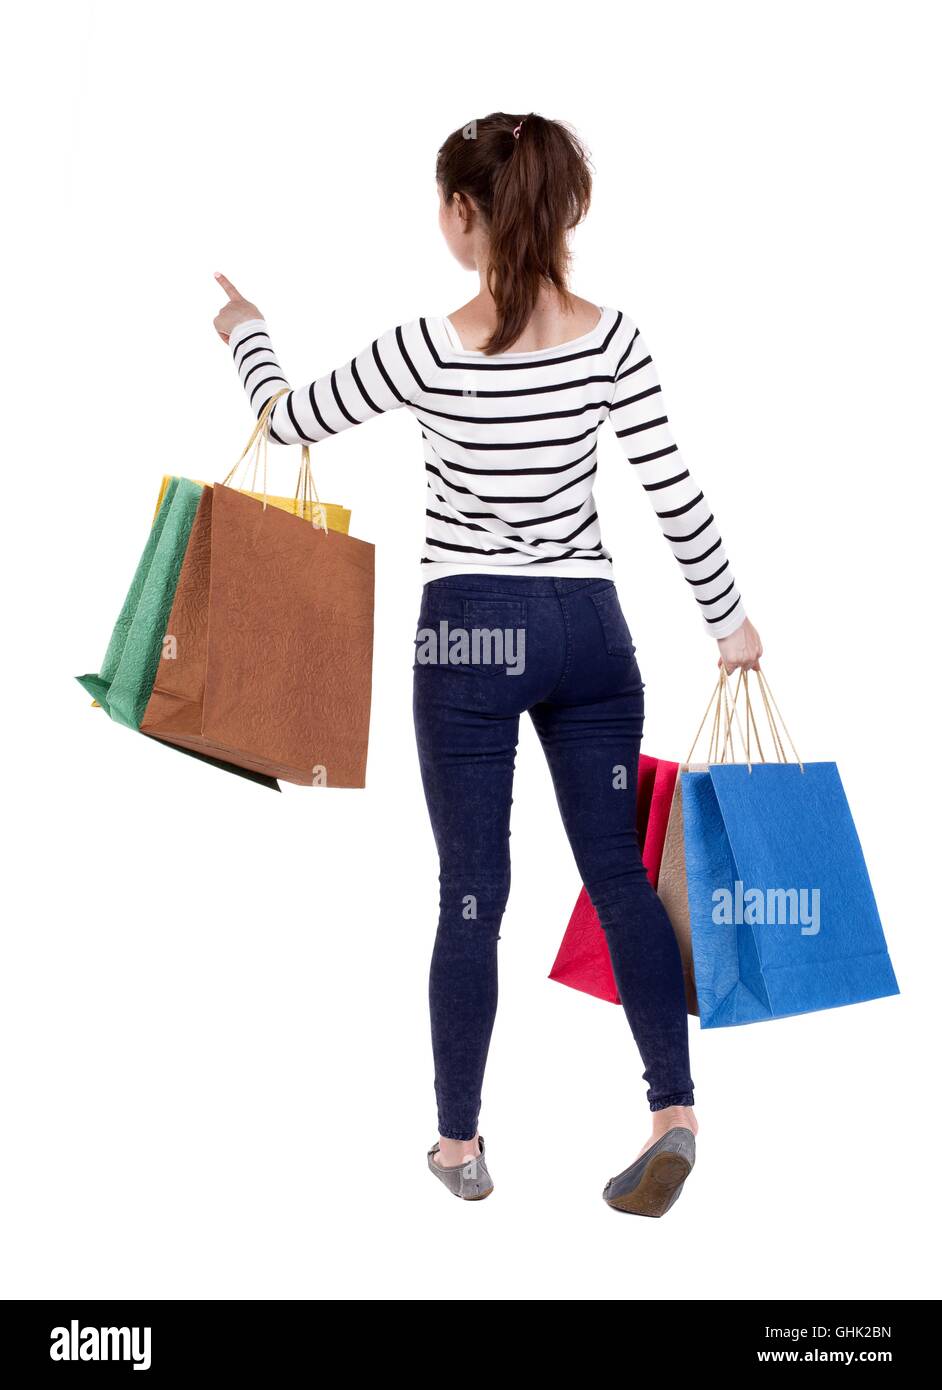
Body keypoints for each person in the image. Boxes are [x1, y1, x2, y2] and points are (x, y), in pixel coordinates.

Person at [213, 111, 762, 1216]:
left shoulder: (423, 346)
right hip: (590, 638)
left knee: (472, 892)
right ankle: (674, 1114)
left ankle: (459, 1145)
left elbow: (287, 422)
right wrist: (731, 625)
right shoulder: (615, 340)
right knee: (620, 876)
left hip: (470, 637)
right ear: (563, 211)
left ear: (466, 216)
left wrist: (247, 328)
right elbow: (675, 495)